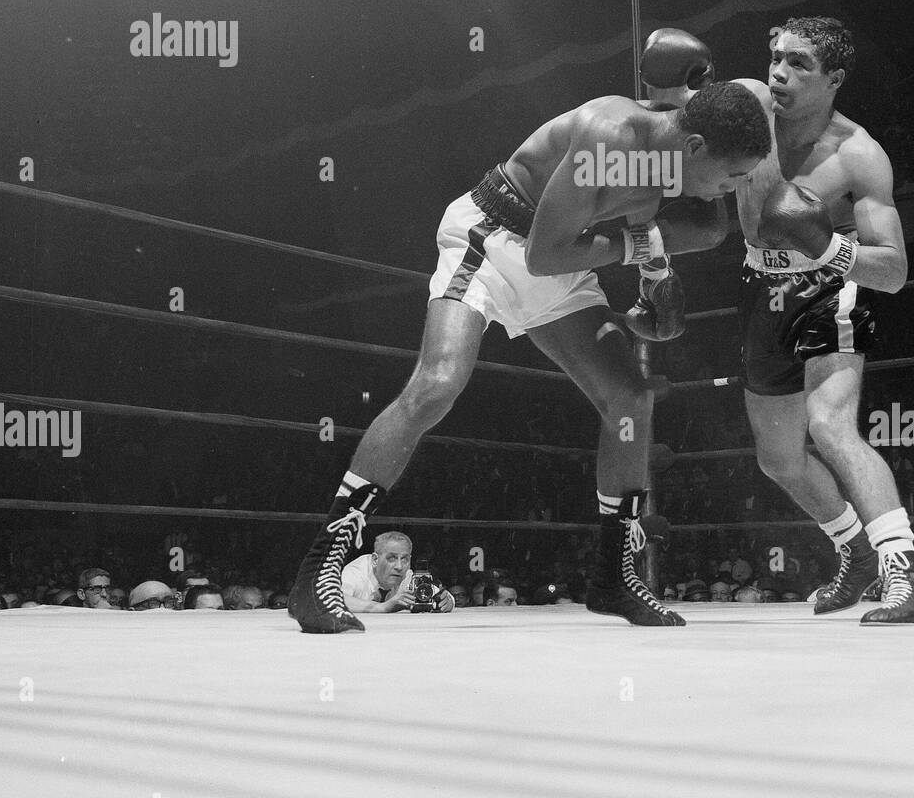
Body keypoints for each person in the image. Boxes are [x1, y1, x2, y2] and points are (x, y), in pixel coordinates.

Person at [289, 34, 771, 633]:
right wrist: (641, 248)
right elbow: (545, 255)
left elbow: (706, 228)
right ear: (694, 145)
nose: (731, 188)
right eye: (730, 177)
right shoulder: (611, 136)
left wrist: (657, 266)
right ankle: (321, 567)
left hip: (569, 256)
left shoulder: (683, 153)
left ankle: (613, 576)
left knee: (630, 397)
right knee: (438, 384)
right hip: (494, 239)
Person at [730, 19, 914, 623]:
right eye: (776, 57)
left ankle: (907, 574)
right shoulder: (748, 110)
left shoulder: (857, 156)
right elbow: (673, 127)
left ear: (835, 79)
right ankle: (854, 551)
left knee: (829, 426)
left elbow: (895, 270)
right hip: (759, 287)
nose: (779, 72)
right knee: (777, 458)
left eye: (799, 63)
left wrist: (825, 247)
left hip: (830, 287)